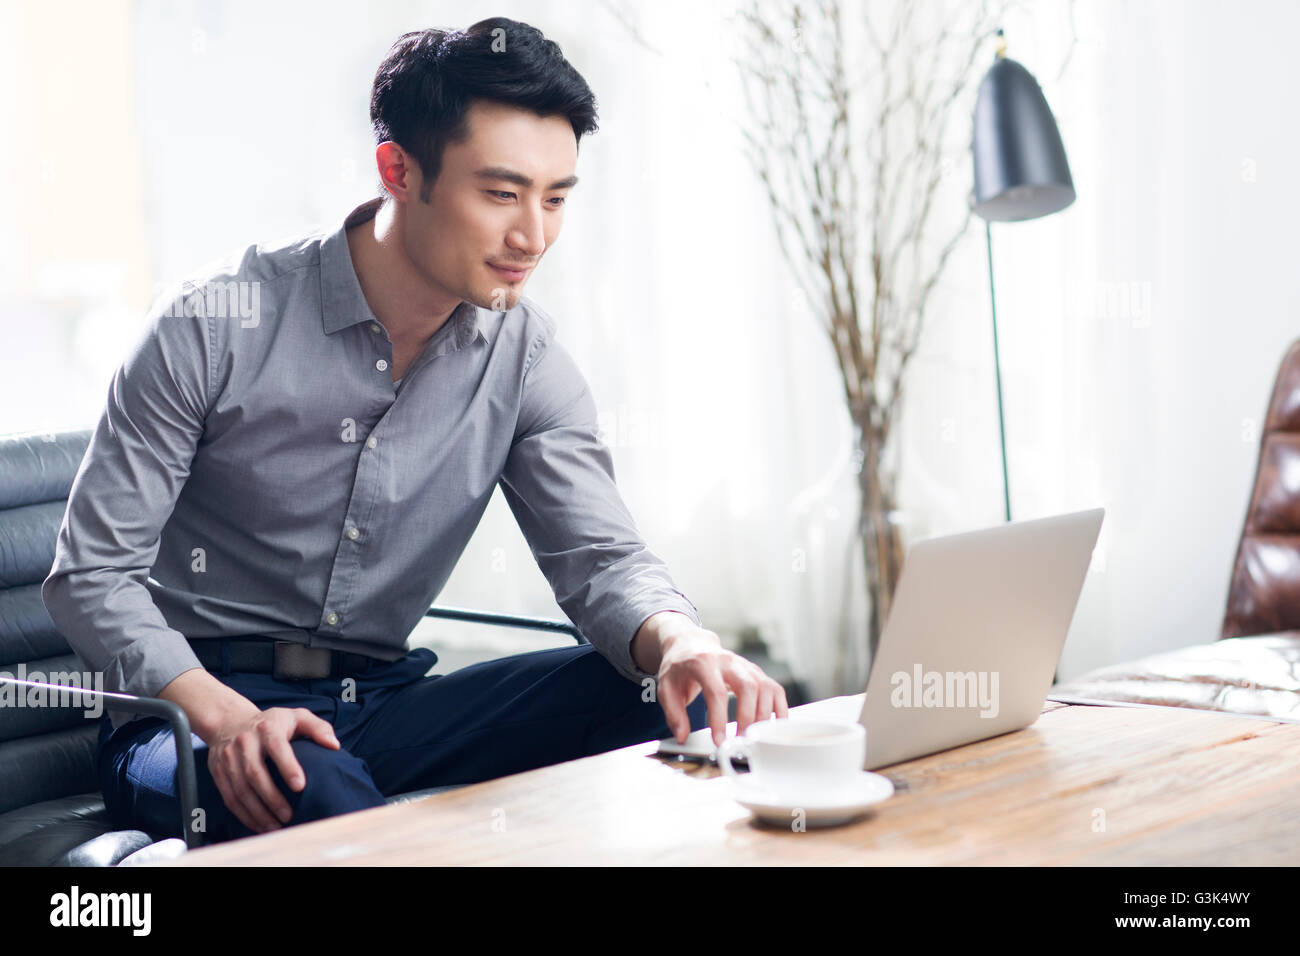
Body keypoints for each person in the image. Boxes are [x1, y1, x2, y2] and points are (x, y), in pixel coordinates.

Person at [41, 17, 788, 846]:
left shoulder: (524, 358)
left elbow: (601, 562)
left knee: (661, 694)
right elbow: (91, 577)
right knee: (315, 785)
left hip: (385, 705)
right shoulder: (212, 325)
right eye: (501, 194)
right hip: (189, 718)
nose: (532, 236)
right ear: (399, 170)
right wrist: (229, 717)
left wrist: (683, 641)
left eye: (556, 198)